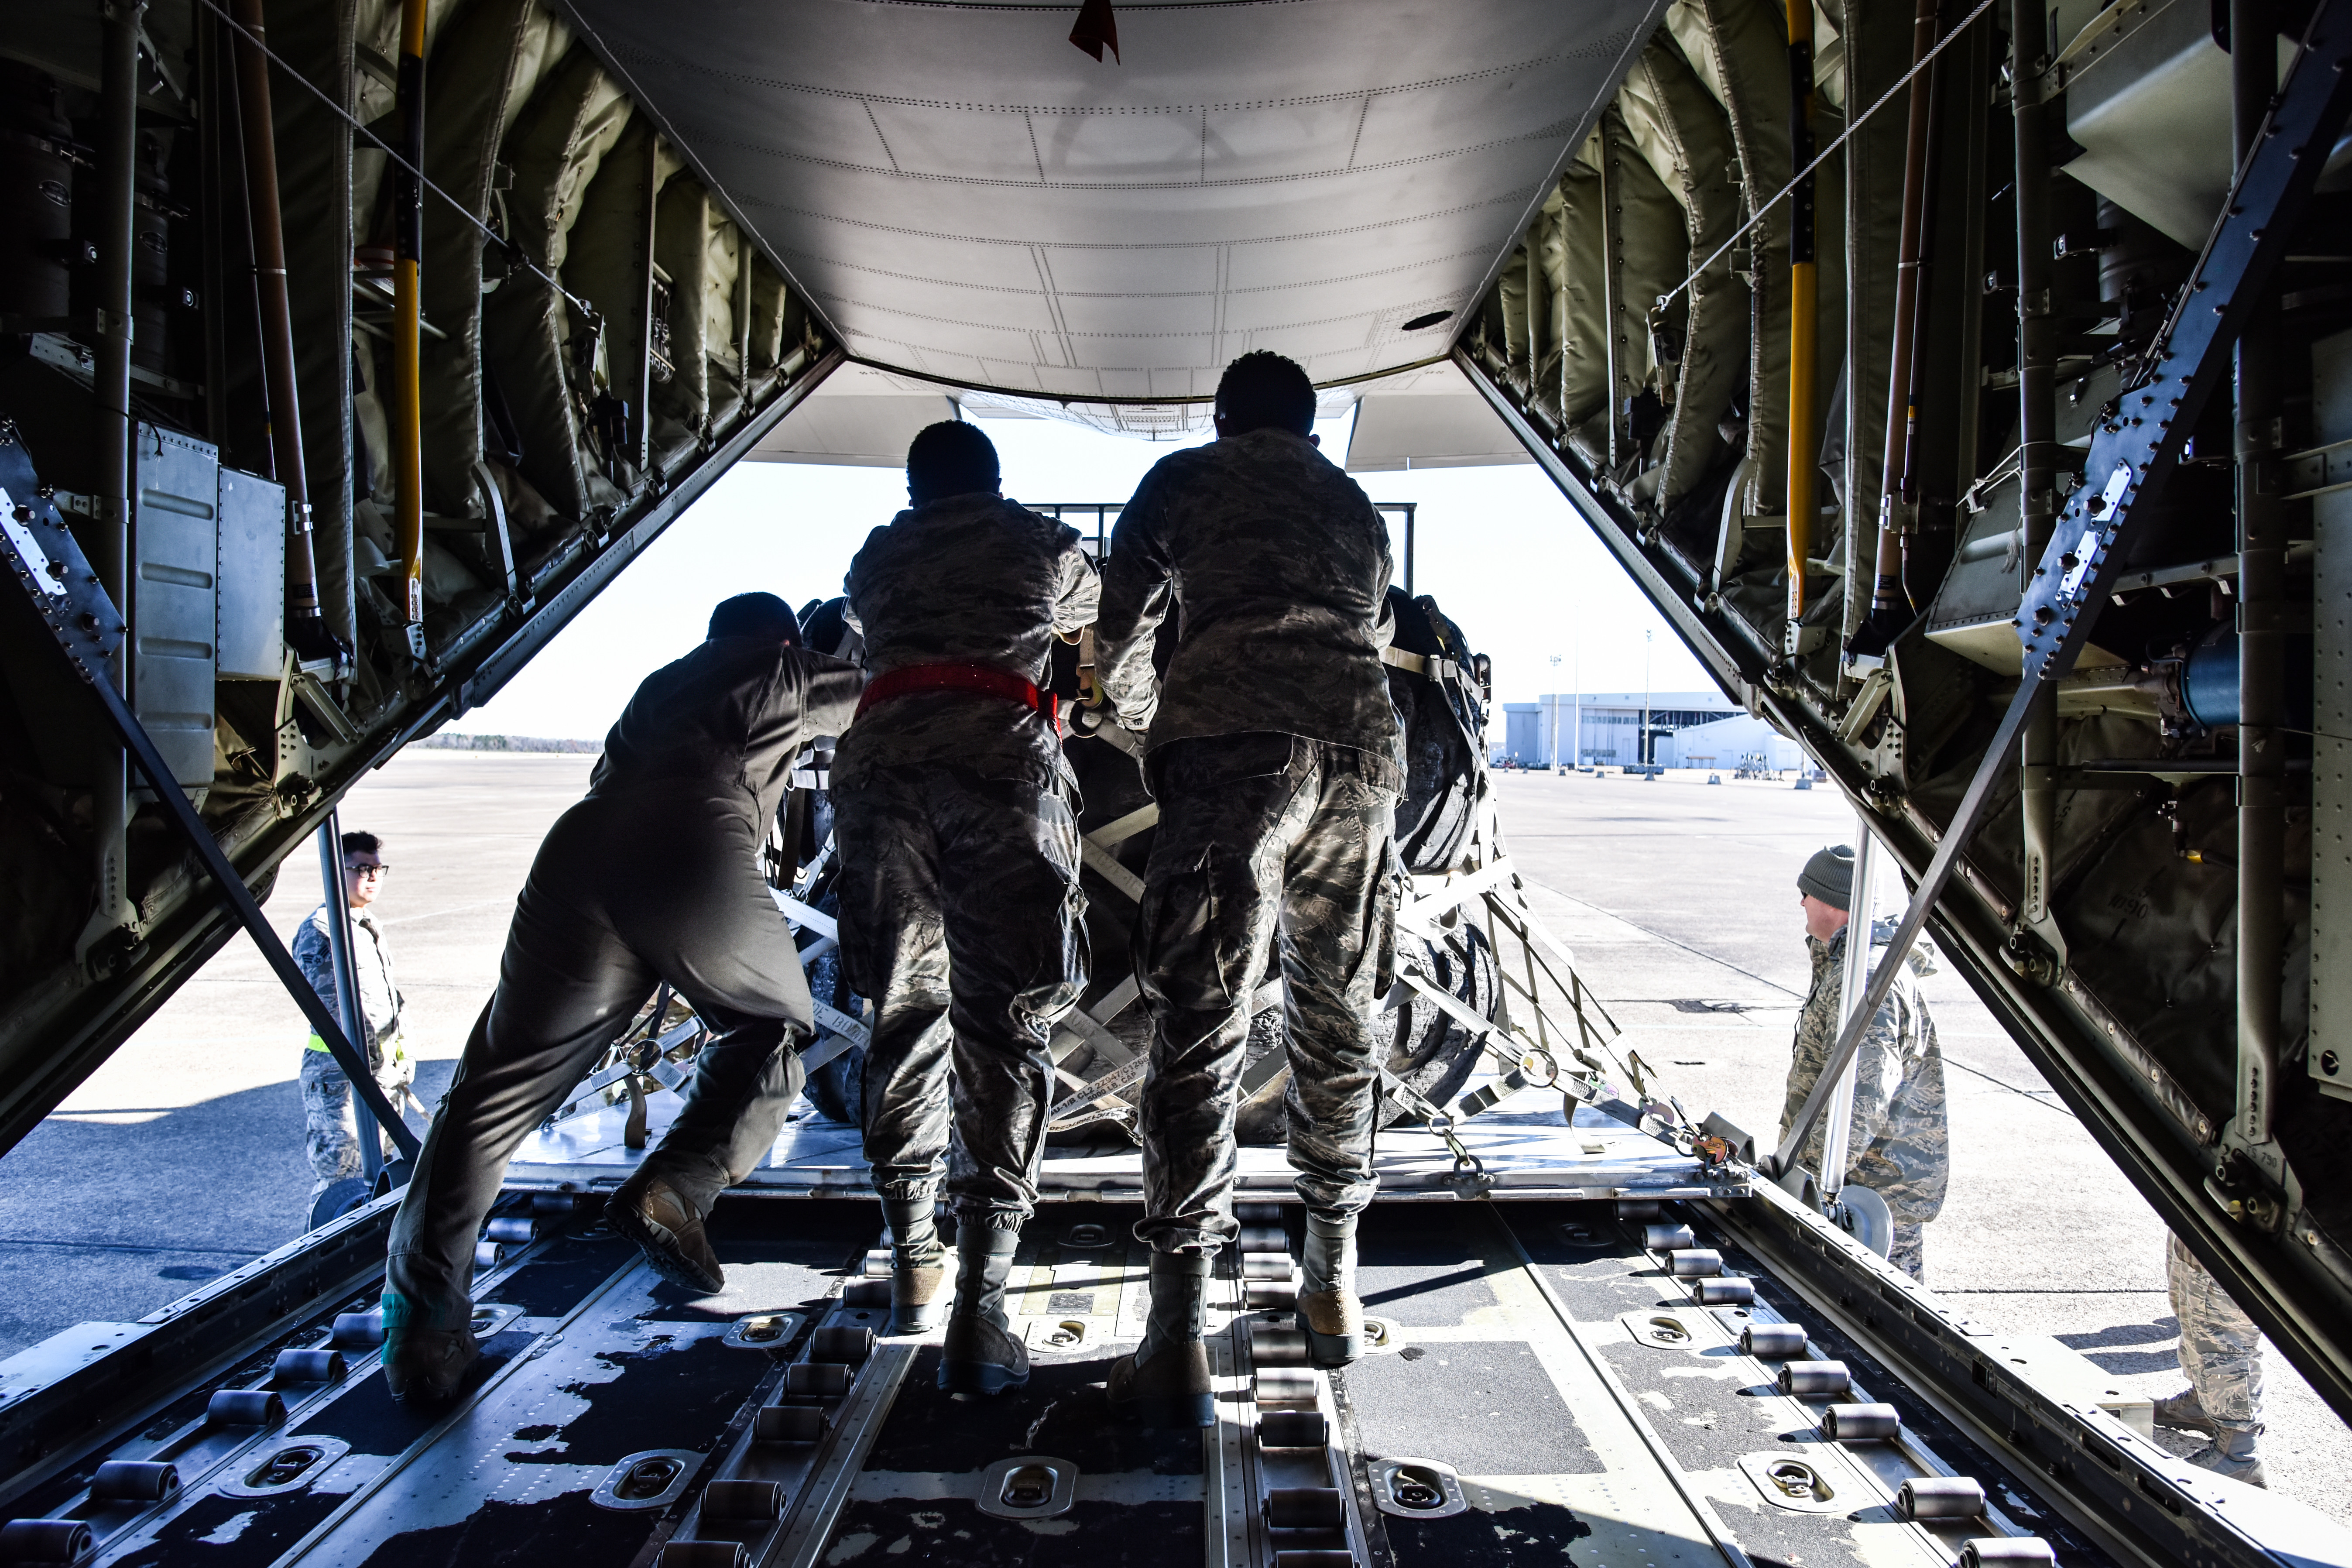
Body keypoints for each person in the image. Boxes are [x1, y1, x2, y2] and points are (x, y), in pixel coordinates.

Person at [381, 594, 864, 1408]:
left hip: (580, 847)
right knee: (773, 1024)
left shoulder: (661, 683)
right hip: (689, 839)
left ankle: (422, 1329)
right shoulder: (780, 666)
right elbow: (896, 694)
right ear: (782, 638)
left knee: (490, 1099)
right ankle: (676, 1185)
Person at [1094, 350, 1404, 1427]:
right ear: (1311, 427)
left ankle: (1175, 1331)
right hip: (1361, 757)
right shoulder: (1356, 507)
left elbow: (1121, 627)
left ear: (1224, 418)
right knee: (1341, 1016)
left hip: (1230, 751)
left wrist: (1140, 716)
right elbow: (1374, 627)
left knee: (1200, 1020)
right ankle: (1332, 1289)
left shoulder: (1183, 482)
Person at [832, 421, 1097, 1395]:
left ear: (914, 489)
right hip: (997, 759)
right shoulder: (1040, 540)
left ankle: (912, 1261)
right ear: (994, 480)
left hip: (880, 764)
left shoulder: (879, 552)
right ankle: (981, 1304)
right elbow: (1087, 615)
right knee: (1004, 1021)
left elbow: (868, 621)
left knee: (903, 1012)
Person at [1779, 844, 1948, 1280]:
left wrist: (1798, 1181)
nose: (1800, 902)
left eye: (1806, 891)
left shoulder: (1866, 979)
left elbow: (1859, 1102)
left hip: (1867, 1201)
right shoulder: (1848, 966)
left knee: (1880, 1329)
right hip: (1854, 1188)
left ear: (1833, 902)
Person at [292, 830, 416, 1215]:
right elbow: (334, 1008)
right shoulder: (322, 930)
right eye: (362, 868)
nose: (373, 876)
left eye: (378, 868)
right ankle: (324, 1259)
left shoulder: (365, 924)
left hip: (380, 1075)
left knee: (383, 1174)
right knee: (341, 1184)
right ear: (335, 871)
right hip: (341, 1079)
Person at [2157, 1235, 2267, 1485]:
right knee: (2189, 1302)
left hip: (2238, 1220)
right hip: (2204, 1207)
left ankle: (2239, 1454)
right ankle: (2207, 1405)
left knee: (2222, 1327)